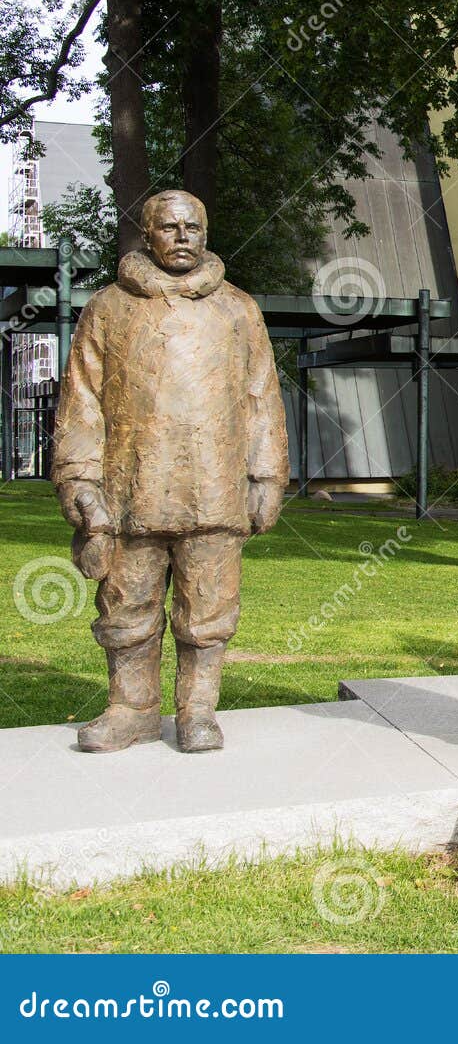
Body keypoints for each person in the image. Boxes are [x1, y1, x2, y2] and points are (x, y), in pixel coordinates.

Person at [52, 190, 289, 753]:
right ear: (148, 234)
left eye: (193, 227)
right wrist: (81, 481)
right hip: (130, 492)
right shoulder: (107, 308)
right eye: (169, 227)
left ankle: (198, 710)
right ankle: (130, 708)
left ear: (205, 233)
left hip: (214, 489)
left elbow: (262, 399)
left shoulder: (237, 309)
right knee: (125, 605)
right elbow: (80, 402)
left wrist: (266, 477)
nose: (183, 236)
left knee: (207, 609)